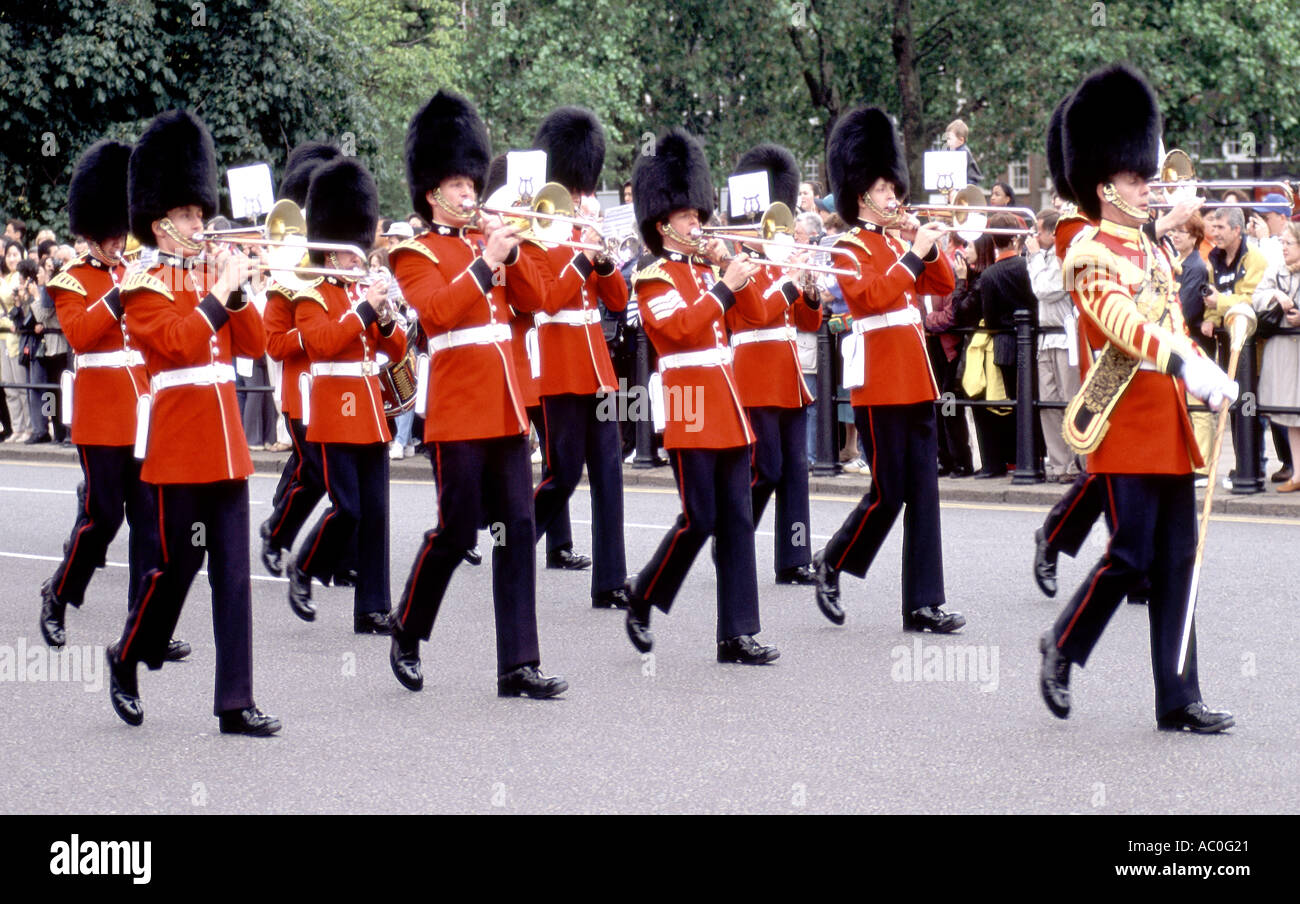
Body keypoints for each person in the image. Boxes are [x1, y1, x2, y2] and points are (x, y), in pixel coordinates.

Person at [1039, 64, 1237, 733]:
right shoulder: (1091, 251)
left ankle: (1179, 698)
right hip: (1124, 421)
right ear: (1104, 182)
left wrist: (1210, 371)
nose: (1146, 184)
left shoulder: (1151, 251)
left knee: (1180, 560)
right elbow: (1124, 326)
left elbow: (1175, 326)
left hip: (1169, 420)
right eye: (1134, 175)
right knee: (1129, 555)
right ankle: (1063, 646)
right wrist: (1187, 364)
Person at [389, 89, 568, 698]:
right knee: (457, 532)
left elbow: (538, 302)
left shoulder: (489, 242)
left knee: (516, 530)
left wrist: (511, 254)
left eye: (473, 182)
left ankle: (517, 665)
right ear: (432, 192)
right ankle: (409, 626)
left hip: (506, 409)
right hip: (457, 412)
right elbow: (437, 313)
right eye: (458, 185)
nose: (471, 193)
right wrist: (485, 262)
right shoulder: (414, 253)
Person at [109, 110, 279, 735]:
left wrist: (240, 290)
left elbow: (256, 342)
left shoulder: (212, 269)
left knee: (233, 578)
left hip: (226, 445)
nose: (199, 225)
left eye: (200, 214)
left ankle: (235, 702)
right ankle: (127, 655)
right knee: (172, 571)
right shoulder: (140, 281)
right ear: (160, 222)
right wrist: (217, 293)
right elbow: (178, 344)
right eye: (188, 216)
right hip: (177, 445)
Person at [619, 127, 779, 665]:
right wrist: (724, 285)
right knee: (699, 518)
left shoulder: (712, 268)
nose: (698, 223)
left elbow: (757, 316)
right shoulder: (651, 278)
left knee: (736, 519)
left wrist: (738, 269)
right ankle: (644, 592)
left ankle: (737, 633)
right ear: (663, 223)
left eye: (698, 214)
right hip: (688, 402)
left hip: (728, 406)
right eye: (689, 217)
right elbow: (681, 330)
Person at [811, 105, 964, 634]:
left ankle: (923, 602)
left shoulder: (900, 241)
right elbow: (871, 297)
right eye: (881, 190)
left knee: (924, 492)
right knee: (888, 491)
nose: (892, 197)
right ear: (859, 195)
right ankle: (832, 560)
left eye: (892, 187)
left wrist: (925, 242)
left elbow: (942, 285)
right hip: (879, 381)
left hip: (916, 378)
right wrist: (912, 257)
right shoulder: (848, 247)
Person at [37, 139, 190, 662]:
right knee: (103, 519)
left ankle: (142, 628)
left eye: (121, 231)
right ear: (89, 233)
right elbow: (80, 336)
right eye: (109, 234)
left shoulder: (136, 269)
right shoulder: (69, 279)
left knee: (149, 520)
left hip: (143, 412)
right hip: (101, 416)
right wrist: (119, 293)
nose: (118, 241)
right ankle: (58, 593)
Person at [288, 157, 402, 635]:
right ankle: (305, 566)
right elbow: (322, 343)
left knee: (375, 514)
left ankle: (372, 608)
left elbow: (394, 349)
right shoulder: (310, 294)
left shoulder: (363, 290)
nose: (362, 258)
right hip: (334, 411)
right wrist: (362, 309)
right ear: (332, 253)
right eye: (353, 252)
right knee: (348, 507)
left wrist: (388, 316)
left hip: (371, 411)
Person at [527, 106, 632, 609]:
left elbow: (616, 300)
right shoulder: (536, 234)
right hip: (560, 367)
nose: (581, 198)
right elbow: (547, 299)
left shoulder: (584, 235)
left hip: (598, 369)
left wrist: (605, 259)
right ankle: (516, 543)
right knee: (562, 474)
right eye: (575, 189)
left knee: (609, 476)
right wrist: (583, 254)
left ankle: (611, 581)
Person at [725, 143, 822, 584]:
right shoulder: (735, 265)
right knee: (766, 469)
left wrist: (812, 290)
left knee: (795, 472)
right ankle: (733, 536)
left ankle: (794, 558)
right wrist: (787, 278)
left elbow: (804, 319)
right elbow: (758, 313)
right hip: (754, 375)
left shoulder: (779, 259)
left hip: (787, 373)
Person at [258, 142, 346, 582]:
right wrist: (312, 337)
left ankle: (331, 557)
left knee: (328, 479)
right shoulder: (287, 274)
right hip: (303, 393)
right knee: (317, 475)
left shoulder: (341, 266)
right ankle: (277, 535)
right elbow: (273, 343)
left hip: (340, 389)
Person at [1204, 205, 1268, 489]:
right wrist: (1210, 317)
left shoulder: (1254, 259)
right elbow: (1211, 296)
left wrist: (1220, 304)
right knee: (1234, 406)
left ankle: (1254, 467)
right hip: (1225, 343)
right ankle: (1242, 467)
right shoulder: (1213, 258)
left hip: (1252, 347)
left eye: (1220, 228)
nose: (1214, 233)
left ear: (1236, 230)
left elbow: (1250, 300)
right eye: (1213, 227)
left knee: (1250, 407)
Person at [1026, 207, 1079, 481]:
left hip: (1065, 337)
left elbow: (1044, 290)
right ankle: (1059, 465)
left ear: (1051, 232)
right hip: (1045, 338)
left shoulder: (1065, 259)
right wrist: (1035, 257)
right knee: (1048, 403)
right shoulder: (1043, 257)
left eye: (1039, 229)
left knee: (1070, 400)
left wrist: (1034, 256)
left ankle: (1074, 463)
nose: (1034, 235)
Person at [1167, 213, 1214, 482]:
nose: (1175, 235)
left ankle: (1204, 465)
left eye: (1181, 232)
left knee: (1199, 406)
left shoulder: (1196, 266)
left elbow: (1184, 305)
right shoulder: (1179, 263)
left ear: (1195, 237)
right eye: (1173, 230)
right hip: (1181, 341)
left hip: (1195, 341)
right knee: (1186, 406)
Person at [1253, 221, 1300, 492]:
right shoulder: (1276, 271)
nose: (1282, 247)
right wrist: (1275, 294)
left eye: (1288, 243)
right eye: (1281, 242)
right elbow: (1256, 297)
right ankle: (1297, 474)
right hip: (1284, 351)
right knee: (1292, 415)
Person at [1, 238, 33, 443]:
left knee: (23, 386)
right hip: (4, 335)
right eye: (9, 254)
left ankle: (30, 428)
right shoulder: (7, 278)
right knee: (9, 387)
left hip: (19, 336)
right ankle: (17, 427)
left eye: (16, 254)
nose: (12, 258)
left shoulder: (23, 279)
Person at [944, 119, 983, 187]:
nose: (947, 142)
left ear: (961, 140)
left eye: (949, 139)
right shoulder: (955, 152)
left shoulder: (963, 152)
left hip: (969, 184)